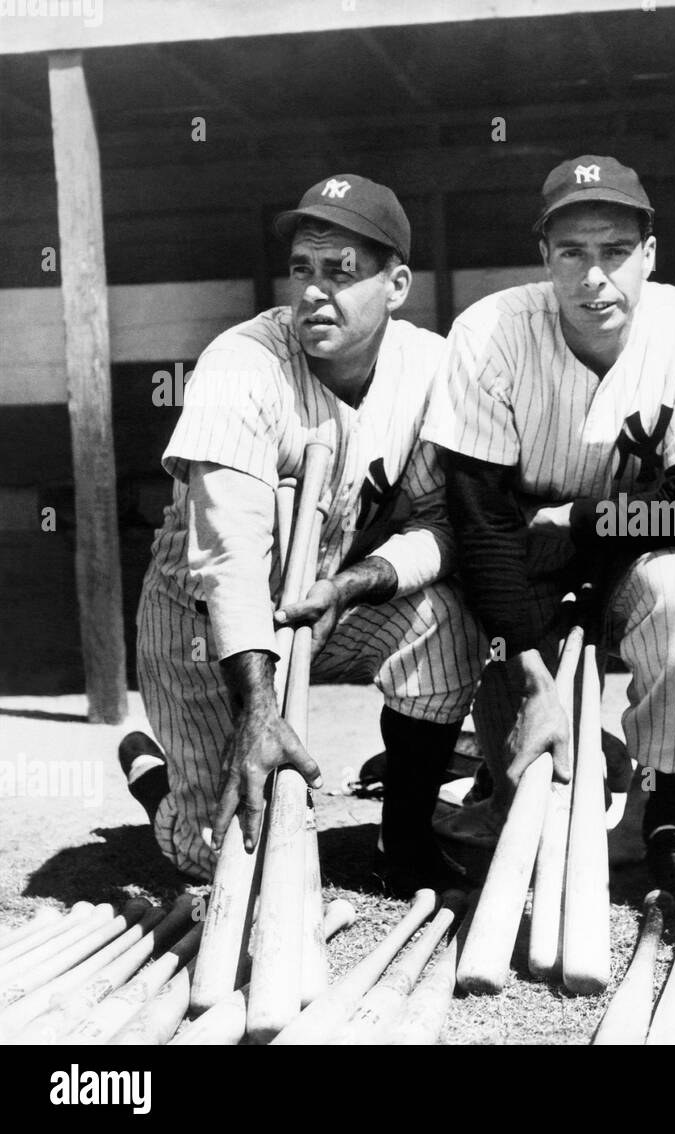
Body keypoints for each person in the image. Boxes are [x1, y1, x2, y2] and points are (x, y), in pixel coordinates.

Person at [121, 174, 487, 897]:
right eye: (303, 270)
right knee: (221, 853)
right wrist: (259, 711)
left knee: (444, 623)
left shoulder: (431, 366)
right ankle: (153, 779)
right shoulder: (242, 365)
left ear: (397, 283)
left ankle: (406, 836)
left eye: (341, 272)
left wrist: (356, 583)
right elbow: (227, 566)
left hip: (325, 604)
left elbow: (442, 527)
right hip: (201, 626)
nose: (315, 292)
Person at [428, 155, 675, 900]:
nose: (593, 276)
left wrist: (580, 517)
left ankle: (665, 817)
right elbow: (482, 525)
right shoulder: (490, 331)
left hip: (633, 547)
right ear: (545, 257)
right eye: (572, 252)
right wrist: (530, 675)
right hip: (522, 557)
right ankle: (500, 783)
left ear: (650, 255)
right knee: (527, 817)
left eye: (615, 252)